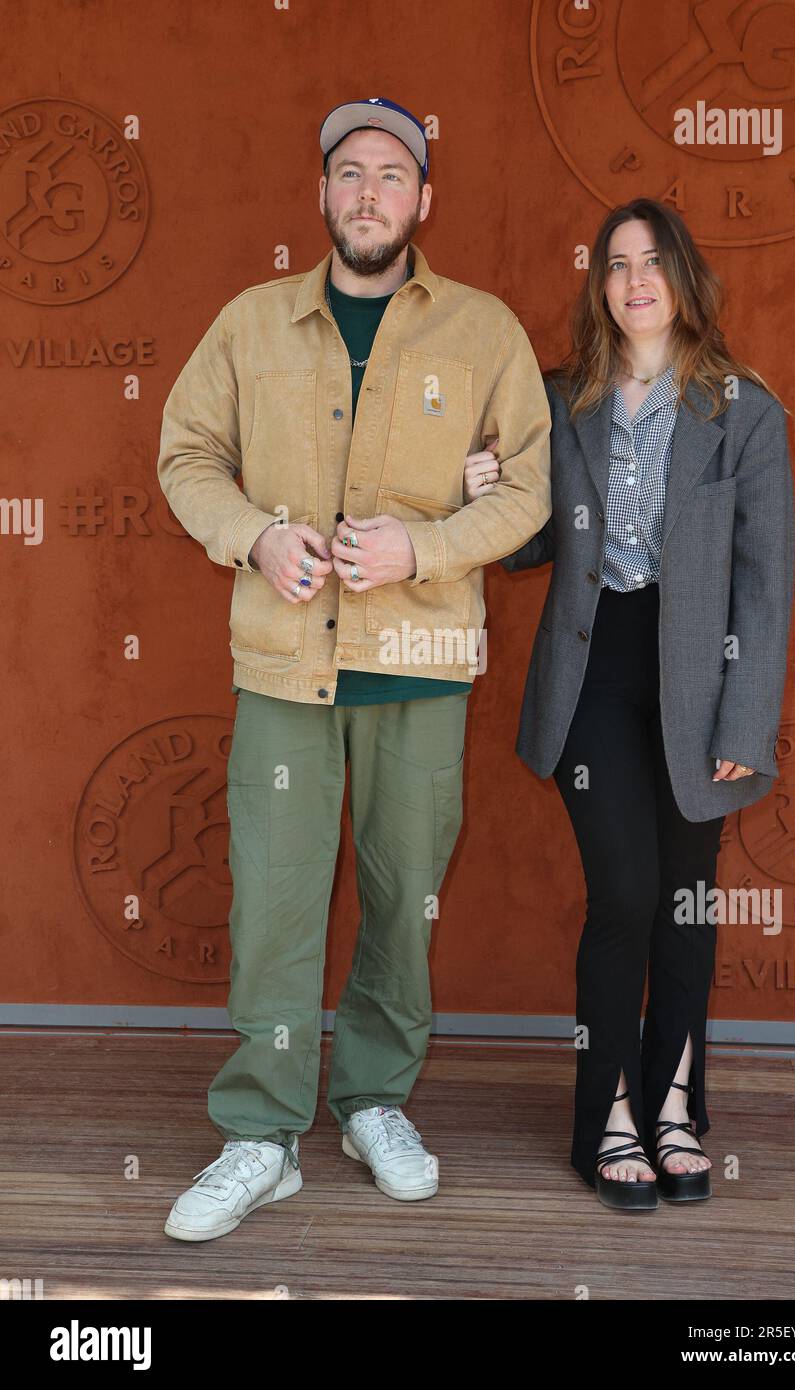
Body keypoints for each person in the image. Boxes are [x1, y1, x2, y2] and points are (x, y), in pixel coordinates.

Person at [156, 97, 551, 1240]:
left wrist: (419, 547)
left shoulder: (480, 333)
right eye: (348, 173)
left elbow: (528, 486)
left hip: (420, 666)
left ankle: (374, 1099)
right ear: (322, 196)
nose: (368, 192)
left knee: (402, 902)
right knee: (274, 907)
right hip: (283, 668)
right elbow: (187, 454)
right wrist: (255, 536)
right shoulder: (251, 323)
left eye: (391, 173)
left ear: (423, 200)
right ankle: (262, 1134)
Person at [464, 198, 795, 1211]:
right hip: (594, 668)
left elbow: (762, 582)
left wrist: (743, 723)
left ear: (683, 278)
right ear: (598, 285)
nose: (634, 279)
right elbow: (527, 544)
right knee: (624, 893)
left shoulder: (744, 410)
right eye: (615, 263)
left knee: (686, 902)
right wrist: (484, 484)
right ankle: (605, 1114)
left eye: (652, 261)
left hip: (700, 675)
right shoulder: (557, 401)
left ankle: (674, 1111)